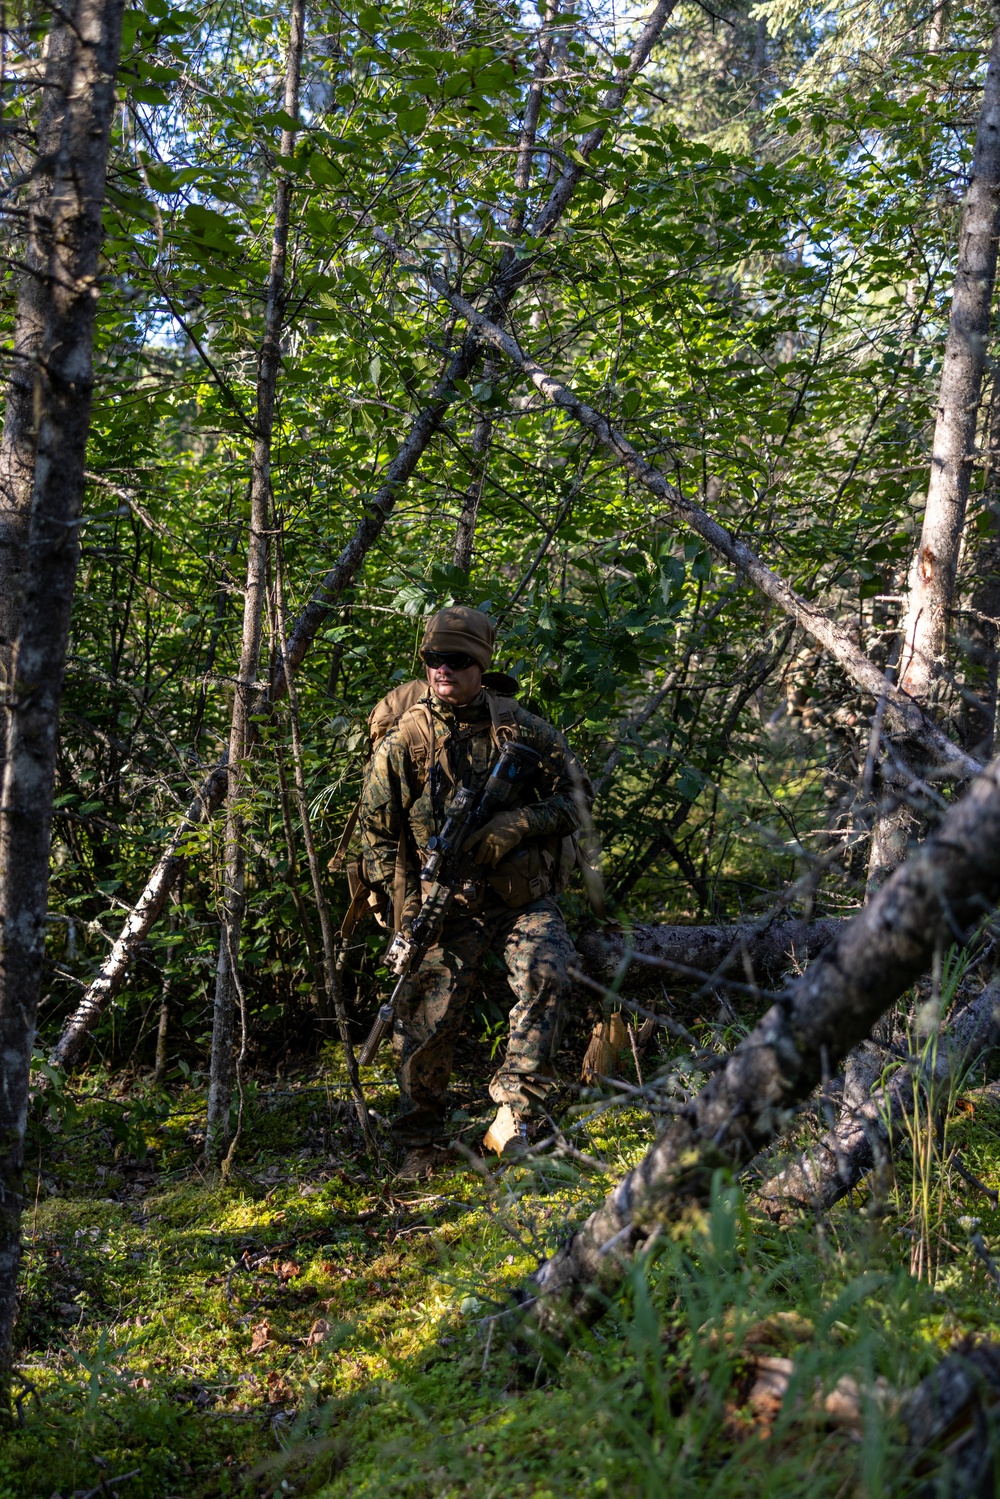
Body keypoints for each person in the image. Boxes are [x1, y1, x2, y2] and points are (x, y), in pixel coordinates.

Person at [358, 606, 588, 1177]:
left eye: (457, 661)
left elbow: (576, 801)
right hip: (442, 899)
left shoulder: (522, 729)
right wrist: (407, 907)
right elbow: (377, 837)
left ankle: (517, 1116)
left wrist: (516, 825)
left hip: (516, 899)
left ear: (481, 667)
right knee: (424, 1013)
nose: (443, 670)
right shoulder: (404, 741)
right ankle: (419, 1136)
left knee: (548, 972)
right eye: (433, 659)